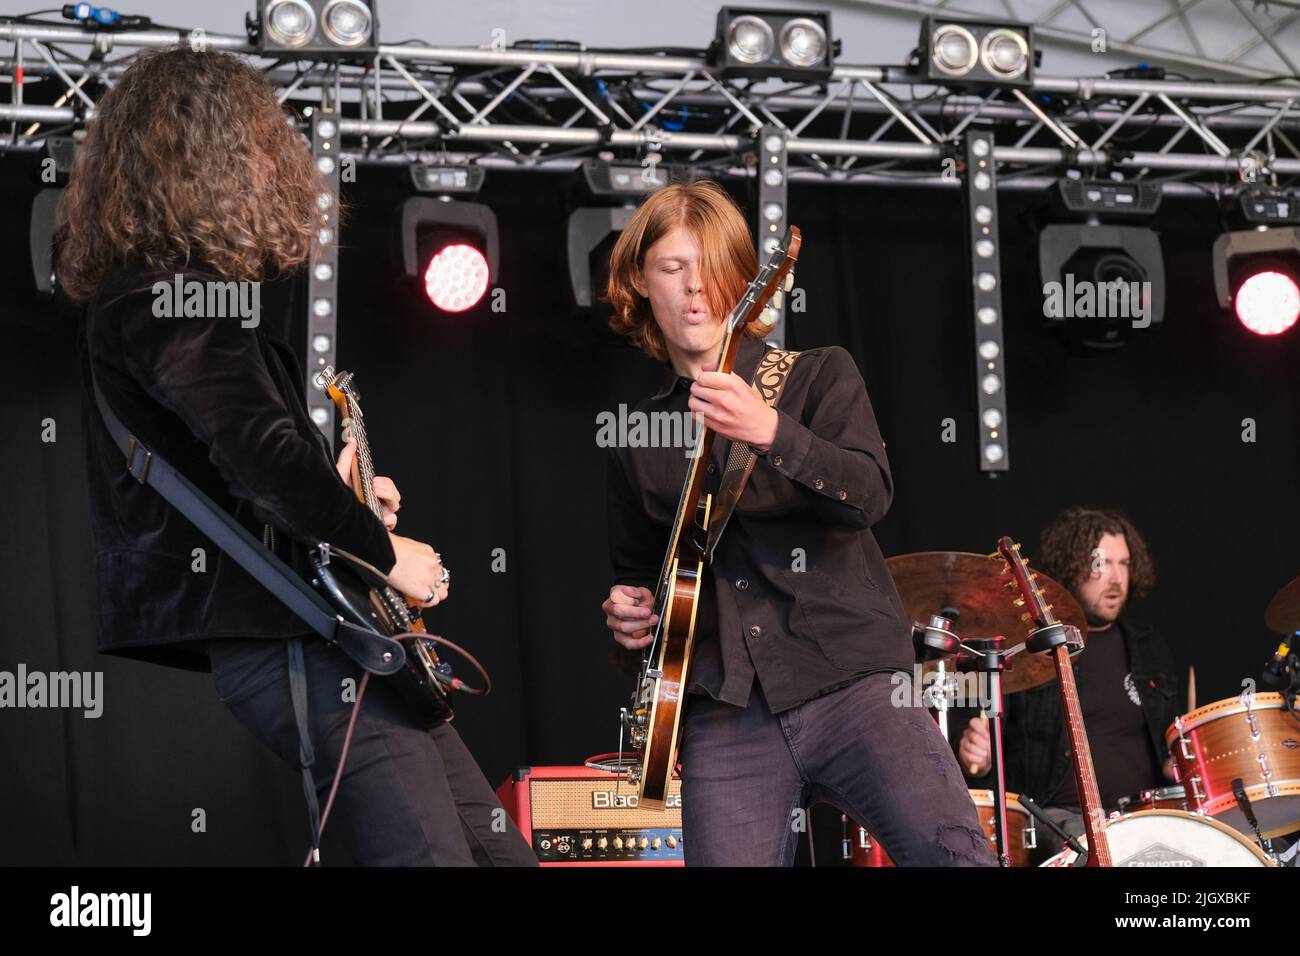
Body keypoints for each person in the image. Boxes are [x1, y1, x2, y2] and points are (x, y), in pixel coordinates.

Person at [57, 45, 534, 866]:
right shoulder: (168, 298)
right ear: (209, 158)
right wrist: (382, 553)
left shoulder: (169, 298)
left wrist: (342, 498)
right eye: (259, 144)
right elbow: (266, 460)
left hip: (325, 641)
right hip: (296, 646)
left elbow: (255, 472)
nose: (278, 165)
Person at [600, 180, 996, 867]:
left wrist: (771, 431)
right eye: (672, 267)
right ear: (640, 279)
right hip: (725, 709)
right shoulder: (636, 437)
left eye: (713, 268)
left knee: (955, 856)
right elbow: (639, 577)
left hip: (854, 681)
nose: (695, 289)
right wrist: (628, 612)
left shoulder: (815, 376)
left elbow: (868, 495)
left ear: (745, 282)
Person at [958, 506, 1182, 845]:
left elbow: (1170, 748)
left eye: (1124, 563)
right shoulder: (1030, 651)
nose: (1116, 578)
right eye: (1100, 565)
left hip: (1145, 814)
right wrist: (981, 761)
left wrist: (1181, 763)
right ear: (1070, 567)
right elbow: (991, 758)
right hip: (1061, 822)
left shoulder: (1148, 647)